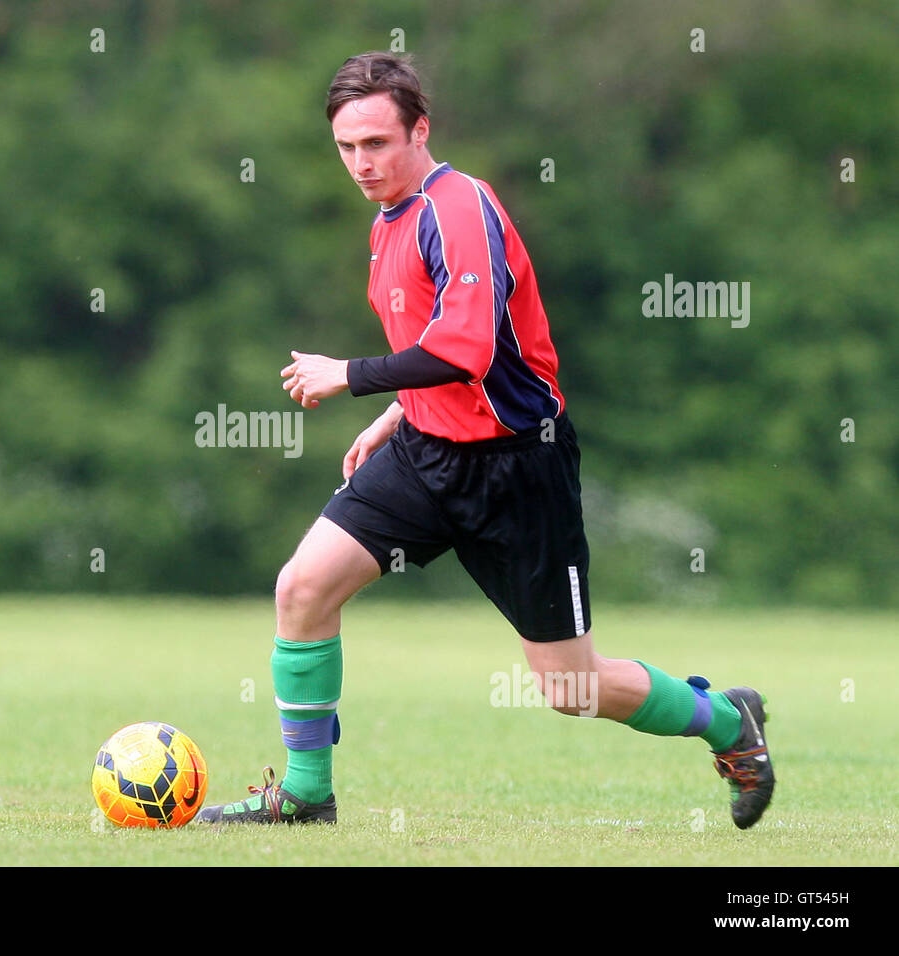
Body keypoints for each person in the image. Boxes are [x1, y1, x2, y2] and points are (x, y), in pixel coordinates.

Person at [196, 52, 774, 829]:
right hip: (426, 454)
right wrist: (398, 411)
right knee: (303, 589)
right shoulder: (387, 221)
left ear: (420, 129)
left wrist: (349, 375)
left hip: (517, 467)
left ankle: (728, 722)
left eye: (377, 143)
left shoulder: (456, 207)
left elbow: (467, 349)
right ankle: (305, 794)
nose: (361, 163)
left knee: (572, 690)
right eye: (347, 147)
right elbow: (441, 343)